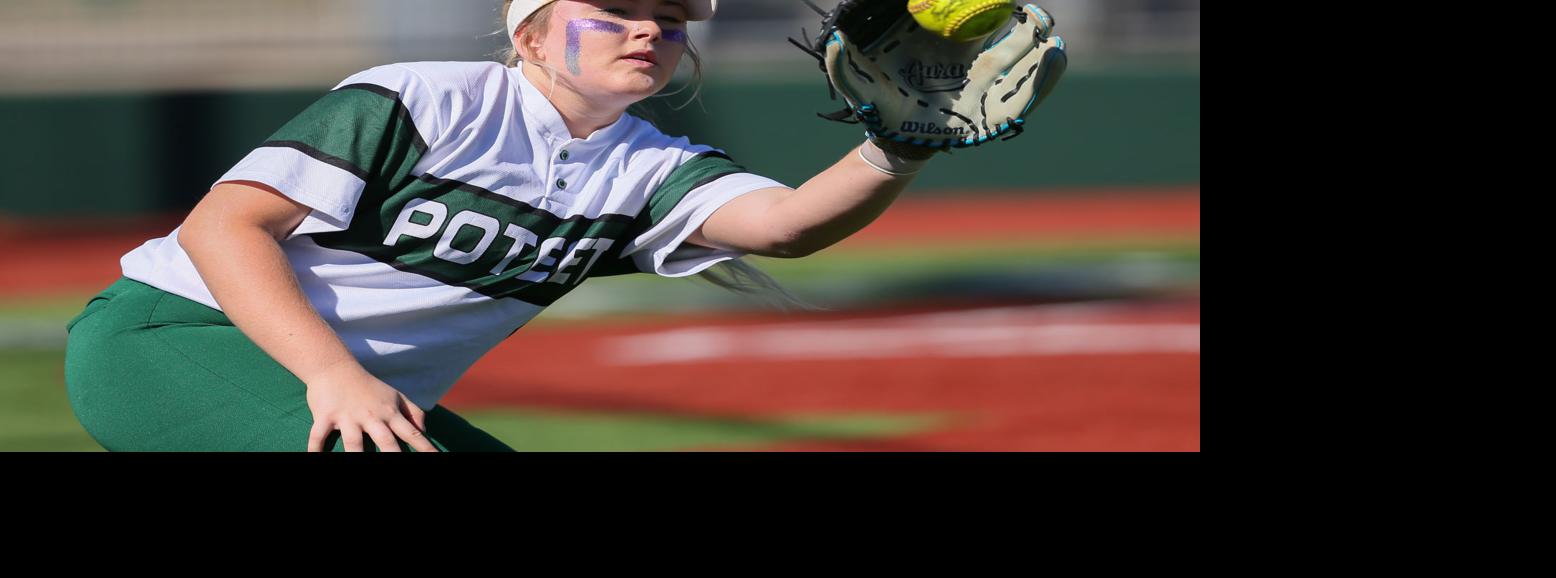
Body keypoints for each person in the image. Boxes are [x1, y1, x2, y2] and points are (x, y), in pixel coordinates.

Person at [63, 0, 943, 452]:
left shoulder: (647, 165)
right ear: (527, 34)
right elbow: (226, 228)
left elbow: (785, 225)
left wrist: (898, 144)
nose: (648, 30)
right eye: (616, 9)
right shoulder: (426, 96)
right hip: (169, 339)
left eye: (669, 21)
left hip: (344, 388)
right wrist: (332, 376)